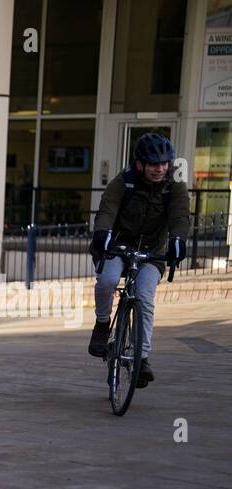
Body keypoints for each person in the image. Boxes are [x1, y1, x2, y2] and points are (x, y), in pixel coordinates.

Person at [87, 132, 190, 388]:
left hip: (153, 251)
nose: (160, 169)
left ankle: (141, 358)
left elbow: (180, 216)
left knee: (144, 296)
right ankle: (101, 326)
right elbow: (107, 209)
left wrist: (178, 239)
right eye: (154, 164)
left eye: (164, 163)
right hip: (120, 246)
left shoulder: (174, 186)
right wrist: (103, 234)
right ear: (140, 164)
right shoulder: (124, 182)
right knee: (107, 280)